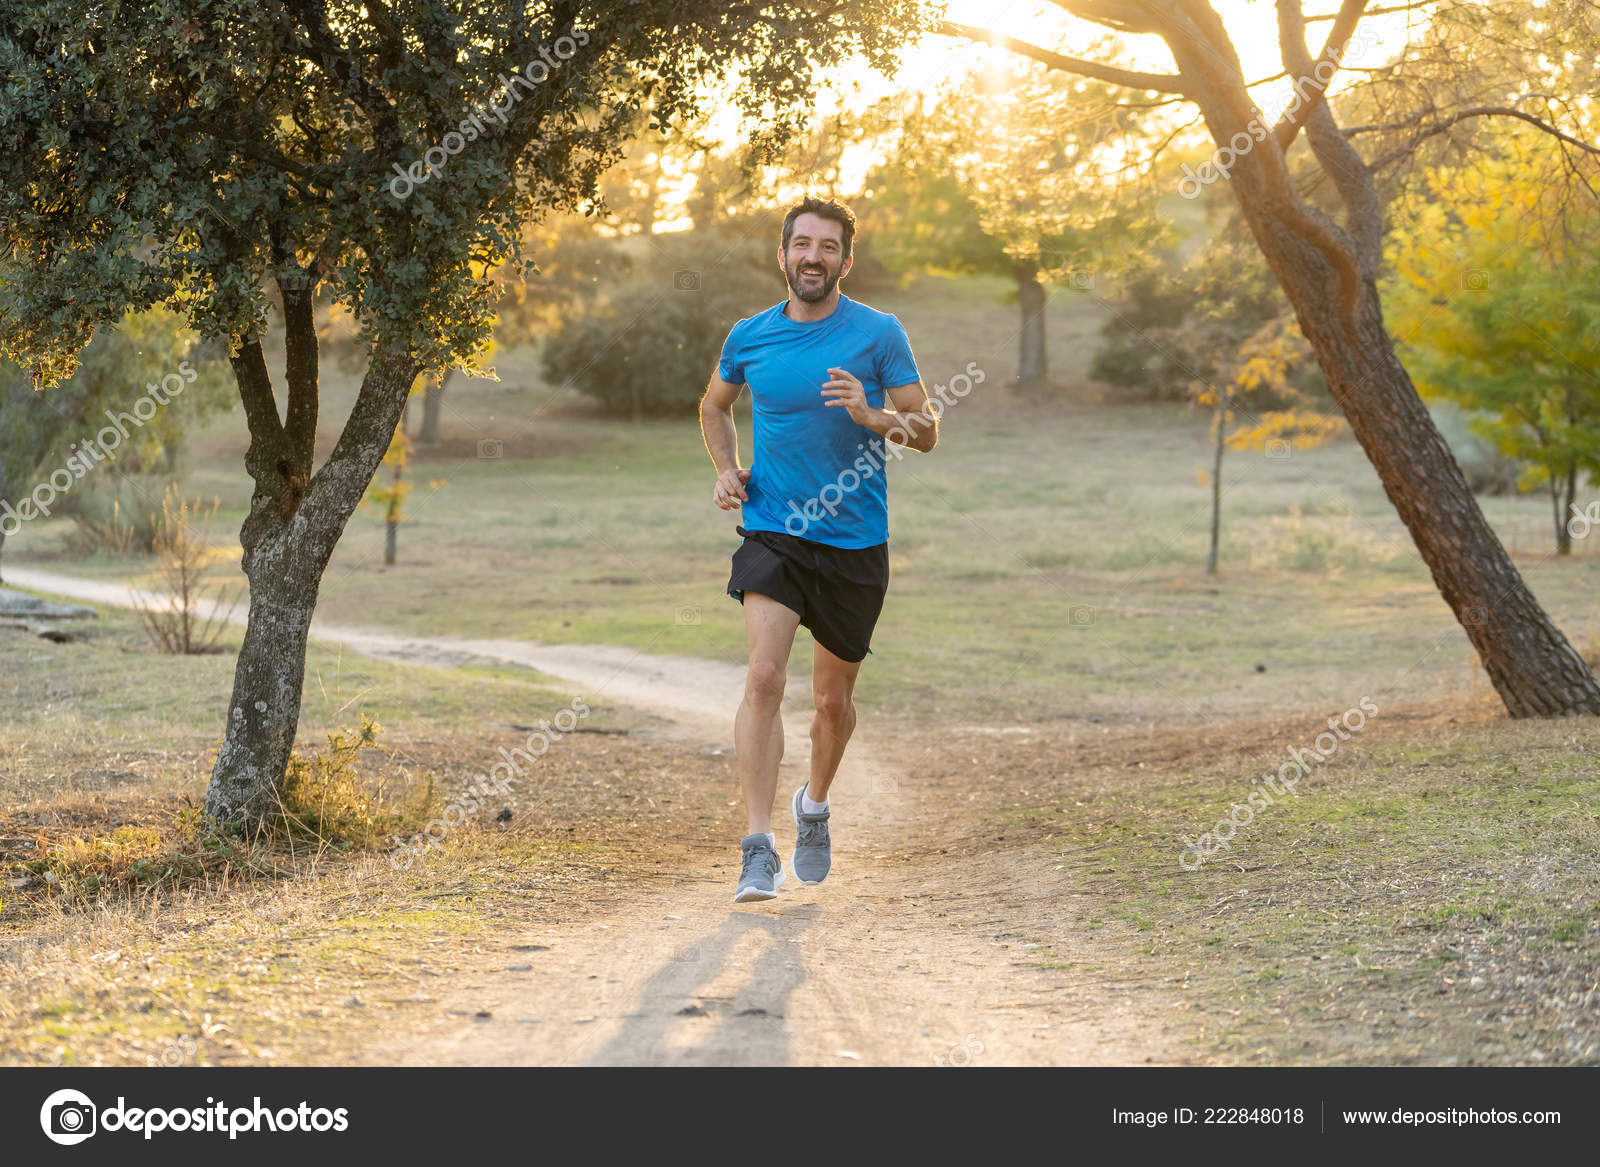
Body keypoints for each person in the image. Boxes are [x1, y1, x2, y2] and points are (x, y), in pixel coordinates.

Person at [698, 195, 938, 903]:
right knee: (764, 678)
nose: (812, 257)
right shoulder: (750, 335)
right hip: (773, 529)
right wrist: (725, 467)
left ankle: (815, 804)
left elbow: (926, 429)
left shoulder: (879, 332)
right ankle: (756, 846)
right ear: (782, 255)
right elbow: (714, 405)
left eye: (827, 247)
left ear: (845, 260)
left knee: (832, 701)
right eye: (801, 244)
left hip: (855, 540)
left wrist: (873, 415)